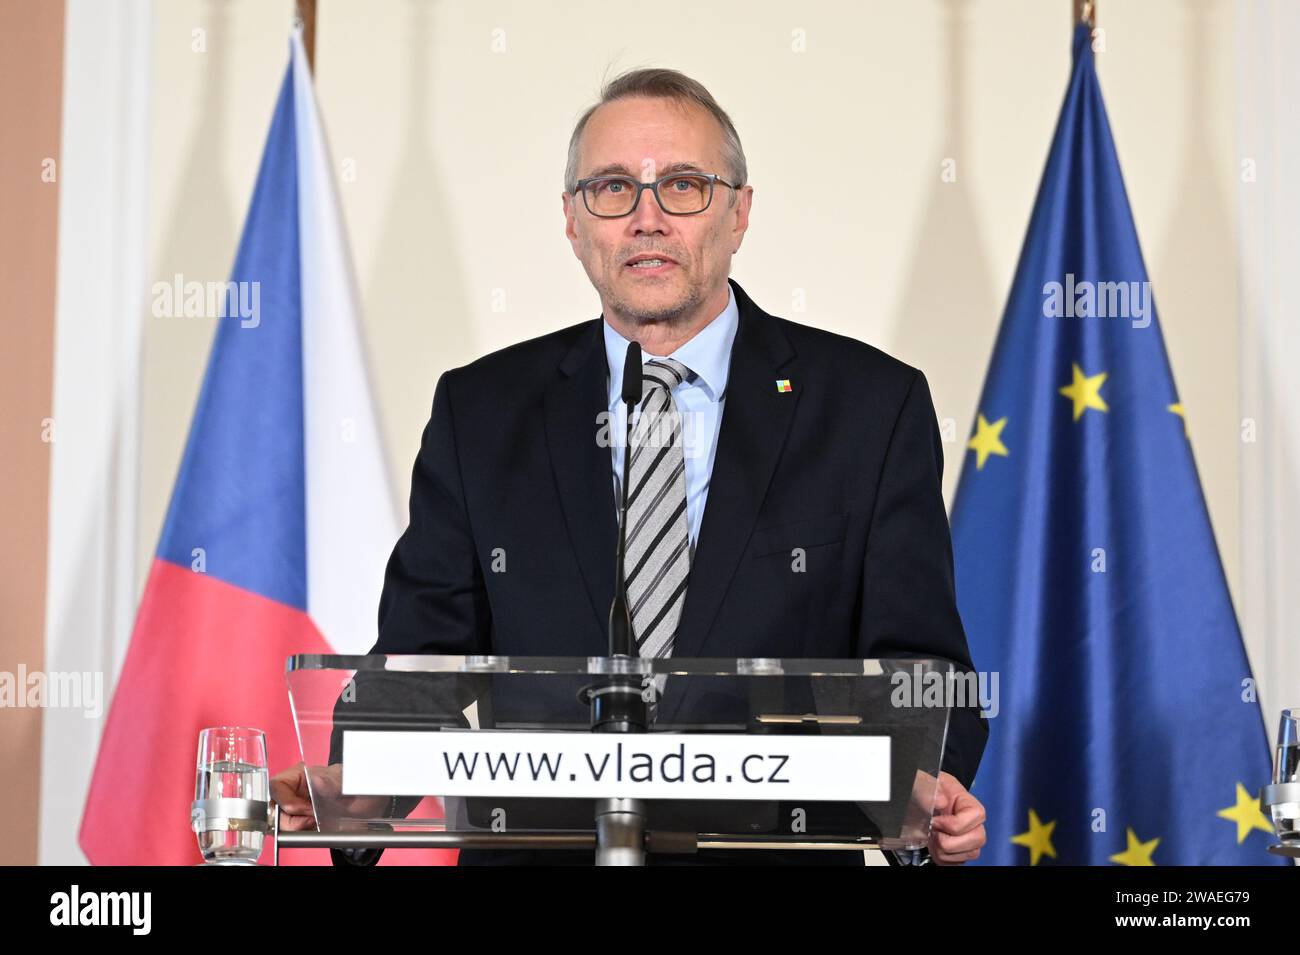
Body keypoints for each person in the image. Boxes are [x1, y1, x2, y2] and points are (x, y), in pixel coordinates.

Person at [272, 67, 988, 866]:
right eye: (613, 188)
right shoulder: (482, 412)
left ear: (740, 212)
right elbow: (422, 654)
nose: (648, 218)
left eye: (683, 185)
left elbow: (917, 660)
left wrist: (922, 778)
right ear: (573, 221)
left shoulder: (868, 407)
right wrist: (363, 781)